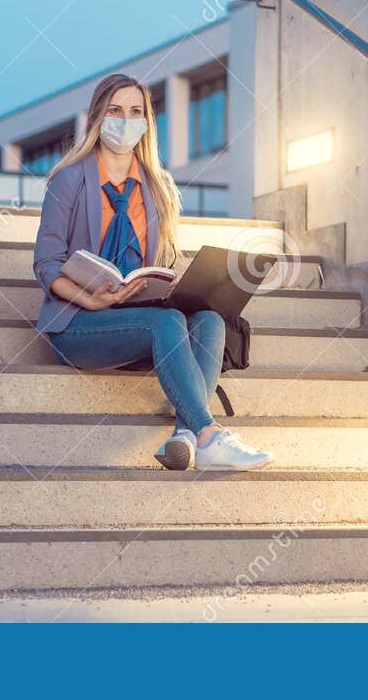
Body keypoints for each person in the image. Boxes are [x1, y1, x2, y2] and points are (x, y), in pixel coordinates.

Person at [31, 73, 274, 472]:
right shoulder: (69, 180)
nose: (125, 120)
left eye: (135, 111)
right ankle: (210, 435)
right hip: (79, 325)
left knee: (212, 320)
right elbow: (46, 263)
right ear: (97, 117)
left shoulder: (157, 187)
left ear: (147, 121)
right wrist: (91, 297)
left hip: (140, 321)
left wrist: (174, 283)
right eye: (115, 110)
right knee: (166, 324)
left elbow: (160, 261)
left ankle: (184, 435)